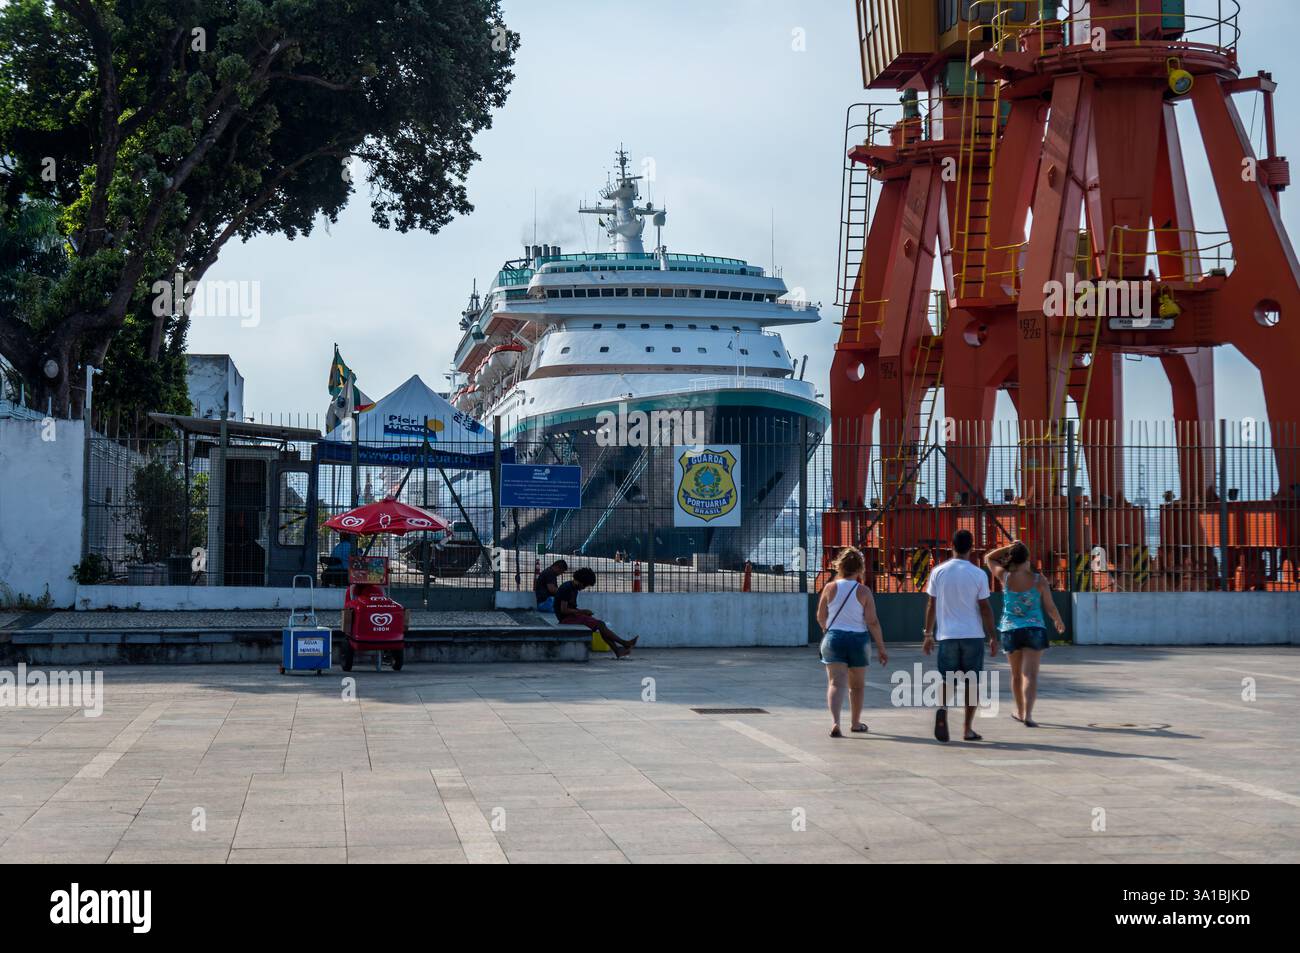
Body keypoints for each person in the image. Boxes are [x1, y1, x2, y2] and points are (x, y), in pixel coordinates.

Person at [923, 529, 998, 743]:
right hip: (972, 635)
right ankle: (967, 729)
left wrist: (928, 634)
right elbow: (985, 608)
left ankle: (943, 708)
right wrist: (992, 636)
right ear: (972, 548)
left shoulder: (939, 571)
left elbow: (931, 604)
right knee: (971, 683)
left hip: (946, 635)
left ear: (951, 545)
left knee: (947, 679)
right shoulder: (978, 574)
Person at [985, 540, 1065, 727]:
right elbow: (1050, 606)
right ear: (1028, 559)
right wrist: (1057, 620)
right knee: (1030, 675)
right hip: (1034, 629)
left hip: (1010, 629)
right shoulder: (1039, 580)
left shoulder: (1005, 577)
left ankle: (1019, 711)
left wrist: (1010, 546)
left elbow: (988, 558)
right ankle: (1028, 715)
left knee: (1016, 675)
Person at [815, 547, 887, 738]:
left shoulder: (830, 588)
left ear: (840, 566)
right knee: (856, 686)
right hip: (858, 640)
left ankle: (835, 722)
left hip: (834, 638)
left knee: (836, 683)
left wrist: (827, 629)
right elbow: (872, 621)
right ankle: (855, 723)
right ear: (860, 568)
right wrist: (881, 648)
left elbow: (820, 616)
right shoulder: (863, 591)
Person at [555, 567, 637, 658]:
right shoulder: (567, 588)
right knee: (600, 624)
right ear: (581, 582)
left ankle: (618, 650)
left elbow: (570, 608)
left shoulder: (573, 588)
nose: (584, 588)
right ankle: (623, 643)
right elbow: (564, 610)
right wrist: (582, 612)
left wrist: (583, 613)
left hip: (572, 617)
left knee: (601, 626)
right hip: (566, 619)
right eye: (585, 585)